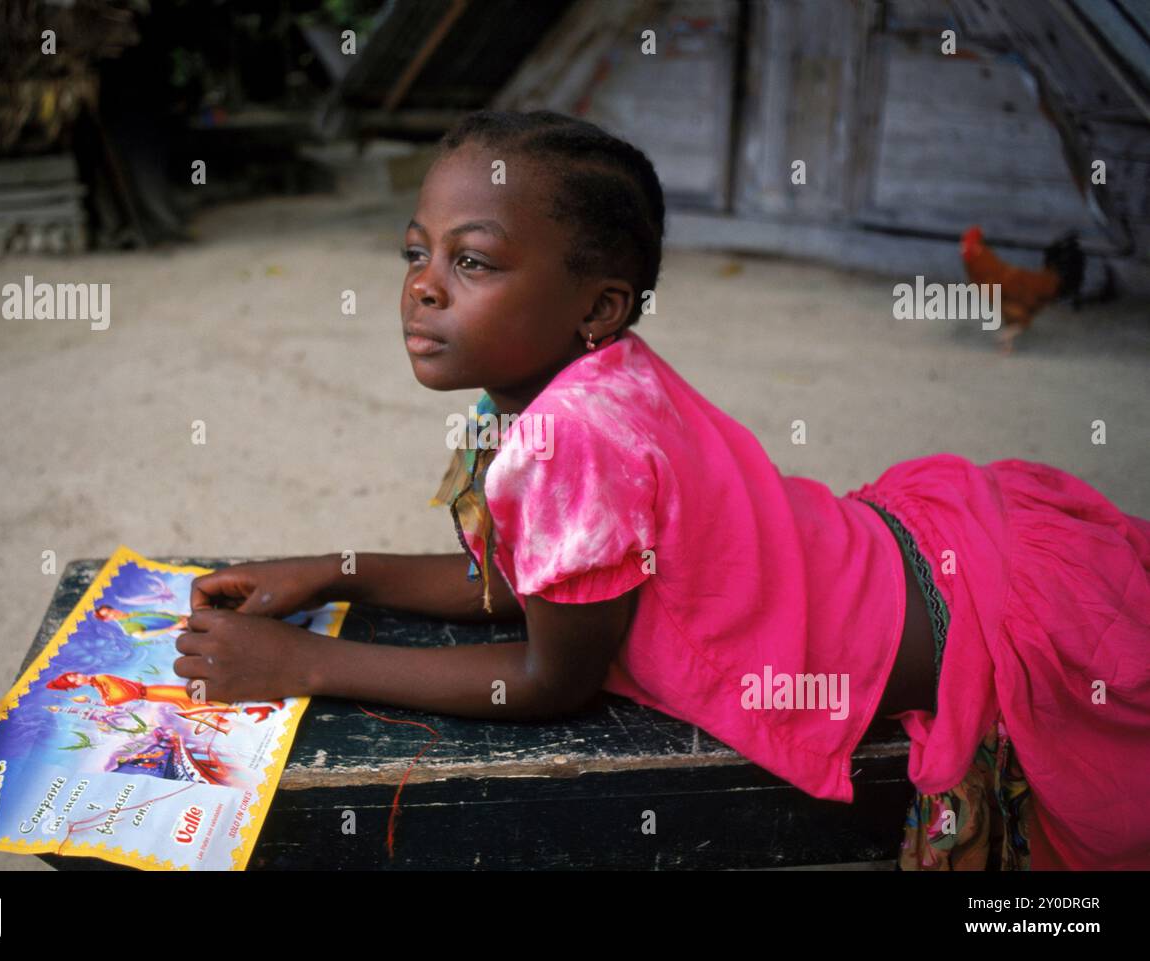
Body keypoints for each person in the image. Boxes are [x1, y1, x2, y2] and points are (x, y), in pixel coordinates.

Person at [173, 109, 1150, 870]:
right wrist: (330, 573)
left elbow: (552, 677)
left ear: (595, 307)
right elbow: (531, 585)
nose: (423, 286)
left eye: (471, 260)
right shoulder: (581, 377)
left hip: (983, 622)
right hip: (930, 552)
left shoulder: (567, 441)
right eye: (416, 252)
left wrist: (301, 665)